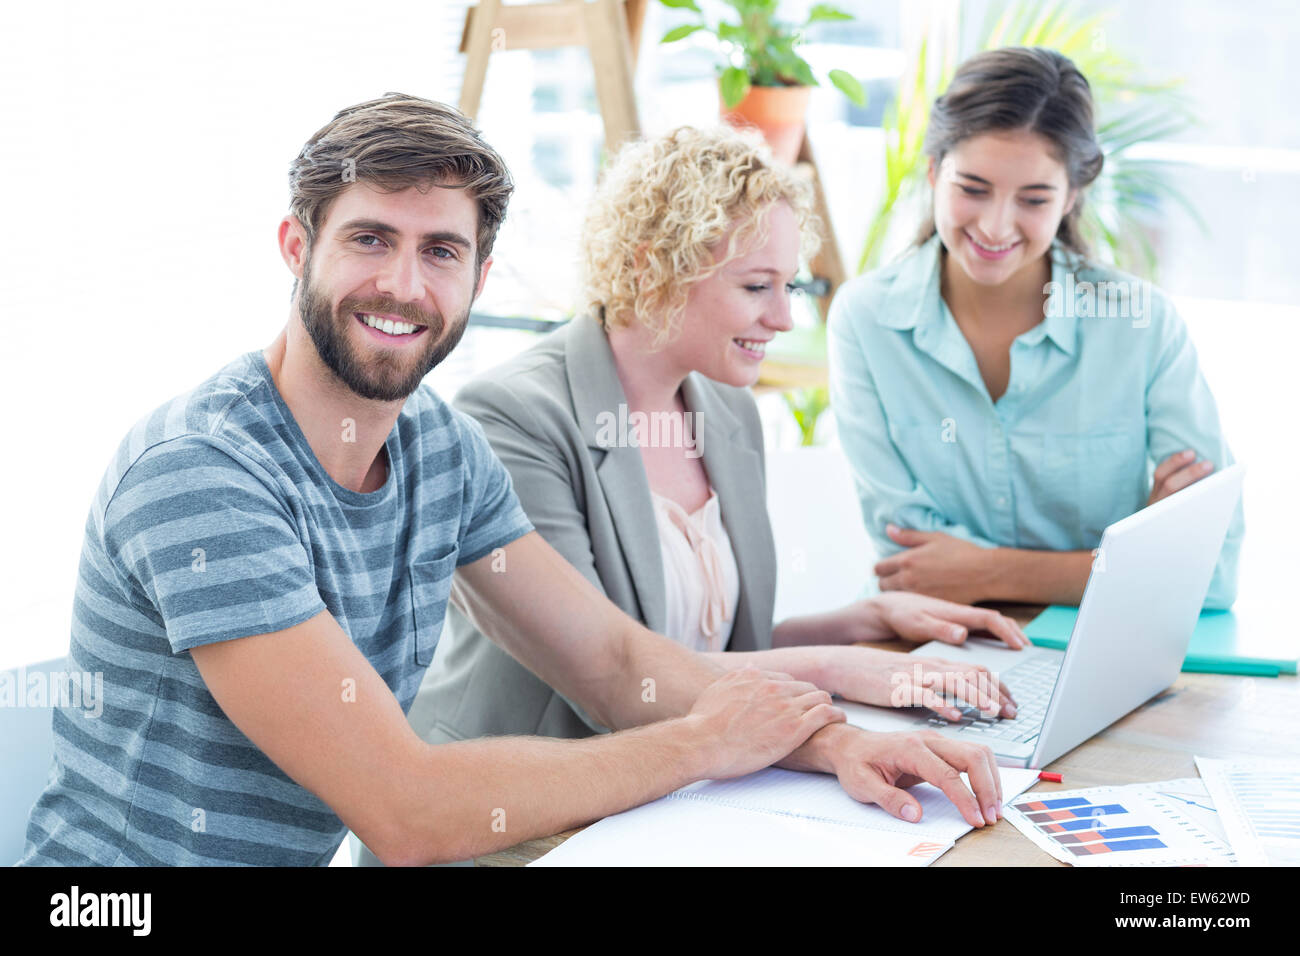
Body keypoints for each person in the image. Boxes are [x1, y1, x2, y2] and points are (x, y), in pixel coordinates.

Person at [19, 95, 1004, 869]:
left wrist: (832, 742)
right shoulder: (204, 474)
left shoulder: (437, 448)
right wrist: (705, 741)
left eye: (440, 250)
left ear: (479, 279)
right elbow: (403, 809)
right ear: (296, 247)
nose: (404, 285)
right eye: (369, 238)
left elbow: (616, 662)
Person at [389, 126, 1025, 869]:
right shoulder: (514, 416)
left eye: (791, 286)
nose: (785, 318)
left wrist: (861, 621)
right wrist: (840, 668)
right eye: (757, 286)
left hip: (676, 805)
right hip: (522, 828)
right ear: (649, 267)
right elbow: (619, 674)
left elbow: (701, 650)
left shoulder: (725, 410)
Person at [827, 47, 1243, 609]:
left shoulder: (1141, 326)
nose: (996, 226)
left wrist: (985, 573)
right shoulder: (866, 321)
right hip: (927, 650)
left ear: (1071, 197)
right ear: (933, 171)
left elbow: (1208, 571)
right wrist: (1122, 562)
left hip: (1106, 652)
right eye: (972, 188)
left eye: (1034, 198)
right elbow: (911, 568)